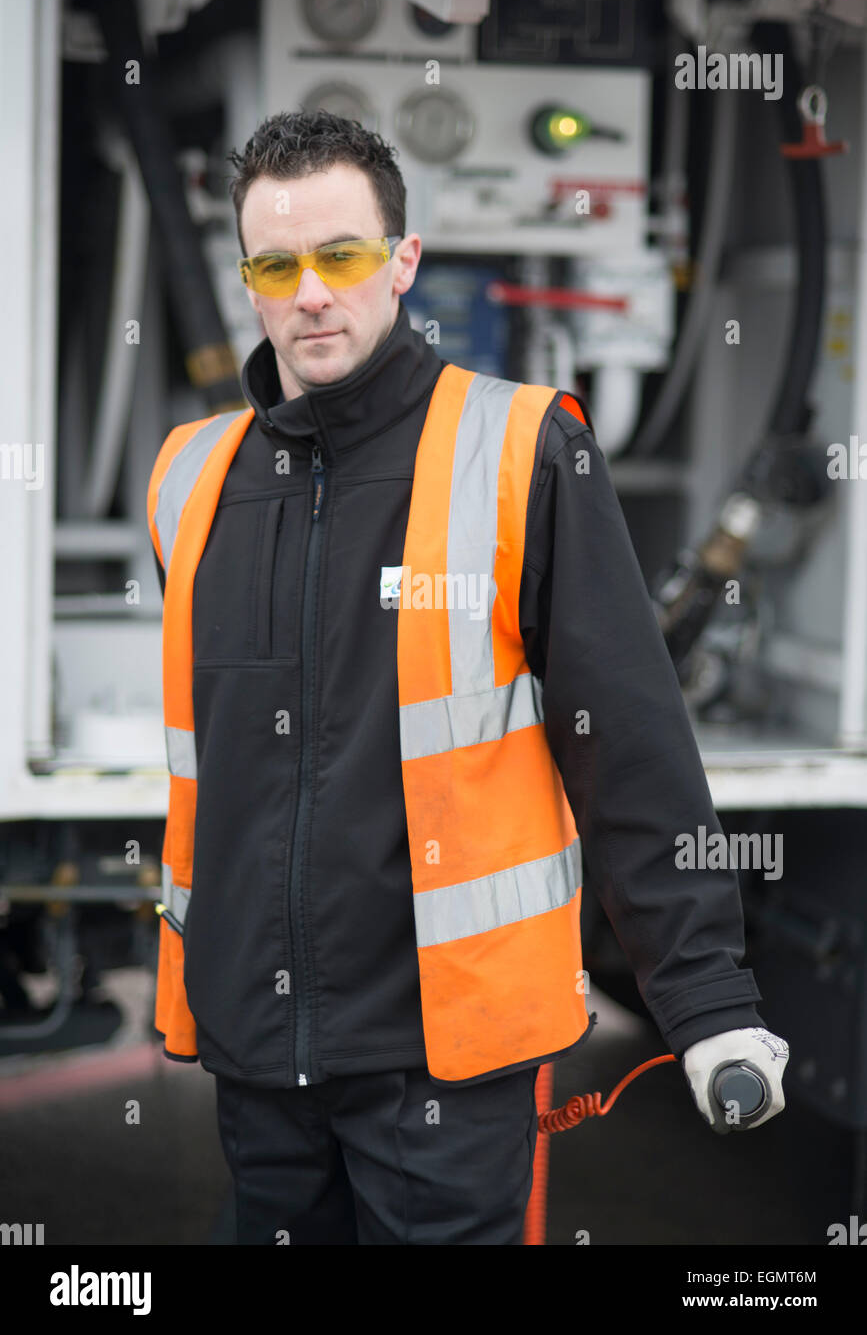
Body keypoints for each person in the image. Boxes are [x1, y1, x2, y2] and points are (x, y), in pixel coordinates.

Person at [146, 110, 788, 1246]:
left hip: (442, 1066)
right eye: (275, 264)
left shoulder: (521, 449)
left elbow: (628, 743)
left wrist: (708, 1006)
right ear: (245, 276)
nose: (310, 294)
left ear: (403, 262)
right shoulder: (192, 479)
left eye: (340, 257)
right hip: (254, 1053)